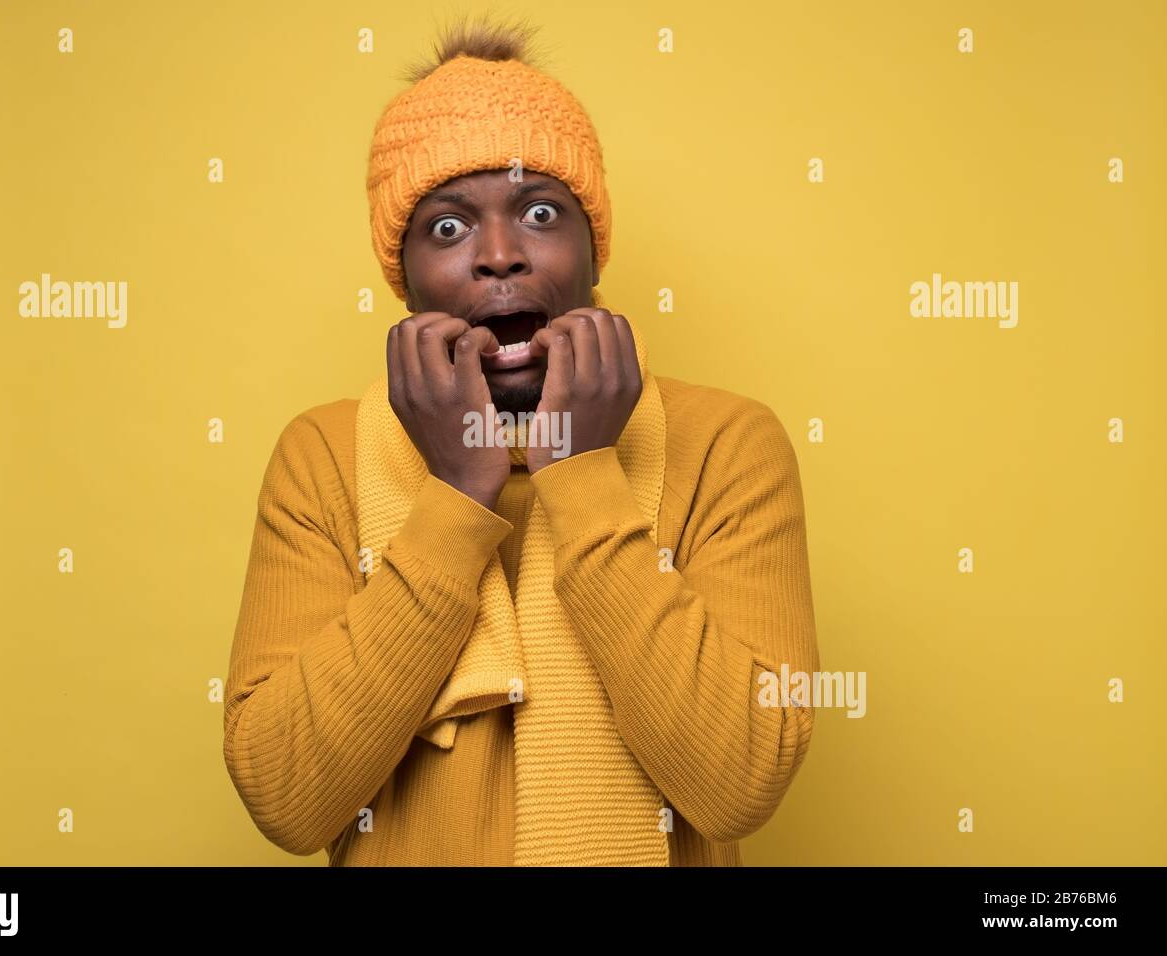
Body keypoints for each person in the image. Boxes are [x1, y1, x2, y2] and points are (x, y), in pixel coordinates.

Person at [223, 15, 820, 866]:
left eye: (540, 211)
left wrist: (581, 473)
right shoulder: (322, 458)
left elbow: (737, 783)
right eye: (448, 227)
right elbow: (286, 798)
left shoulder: (726, 443)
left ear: (592, 251)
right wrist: (456, 498)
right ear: (404, 279)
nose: (499, 256)